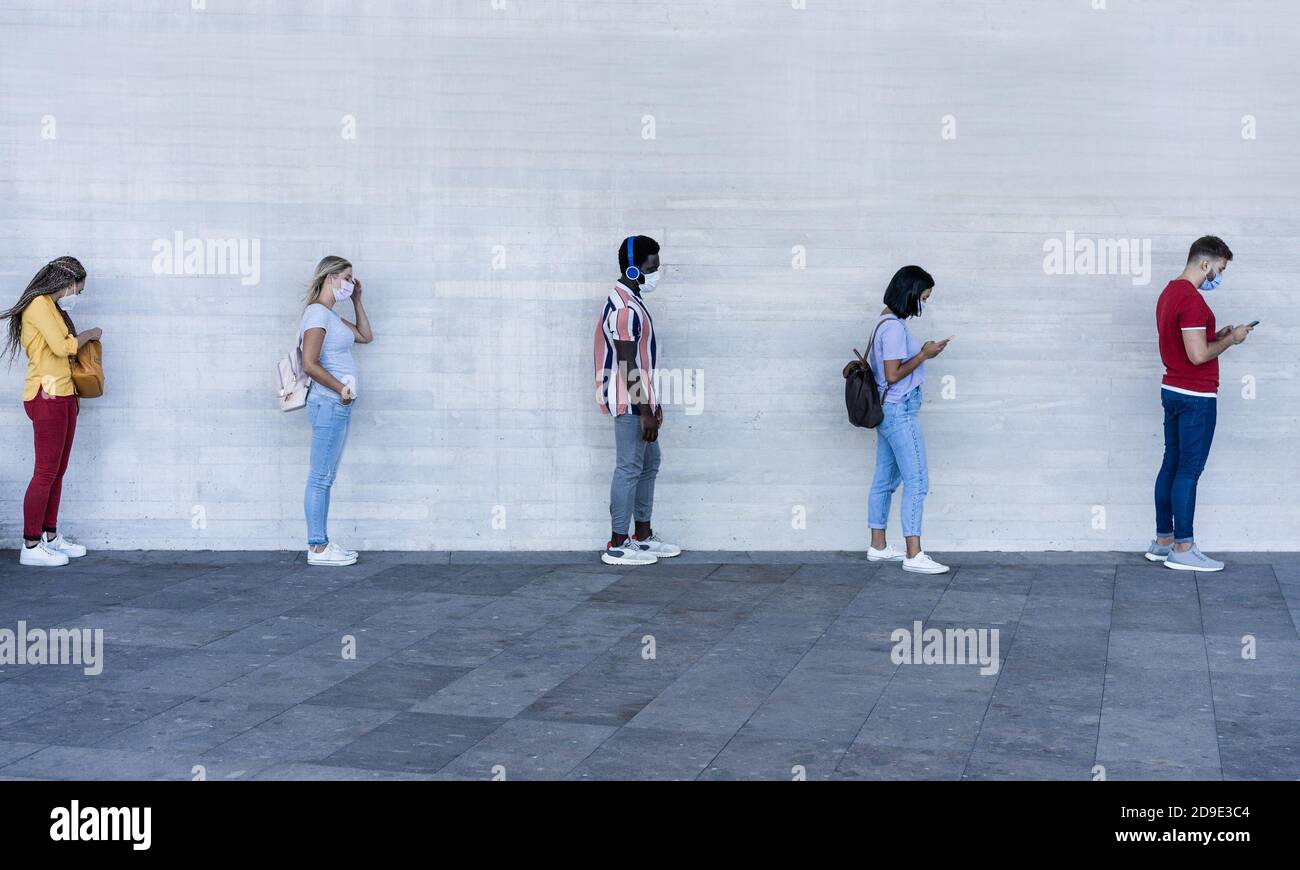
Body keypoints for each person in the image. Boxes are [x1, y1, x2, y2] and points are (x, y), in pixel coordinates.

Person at [1146, 236, 1251, 572]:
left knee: (1171, 464)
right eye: (1218, 270)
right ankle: (1183, 547)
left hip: (1173, 390)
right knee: (1189, 470)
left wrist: (1215, 336)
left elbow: (1188, 346)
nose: (1217, 277)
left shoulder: (1168, 293)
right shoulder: (1190, 300)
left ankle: (1163, 542)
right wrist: (1231, 341)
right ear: (1205, 263)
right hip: (1195, 396)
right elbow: (1197, 356)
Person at [0, 257, 100, 567]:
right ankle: (30, 544)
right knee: (45, 473)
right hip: (46, 395)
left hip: (65, 394)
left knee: (57, 472)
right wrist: (89, 334)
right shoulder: (39, 305)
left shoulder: (52, 307)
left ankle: (50, 536)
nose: (76, 296)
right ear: (67, 282)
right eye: (77, 291)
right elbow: (61, 347)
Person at [593, 235, 681, 566]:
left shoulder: (632, 301)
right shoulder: (624, 309)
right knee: (629, 467)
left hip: (641, 398)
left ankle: (642, 536)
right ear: (633, 268)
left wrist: (652, 404)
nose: (656, 274)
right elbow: (628, 363)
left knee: (649, 463)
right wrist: (644, 410)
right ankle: (618, 543)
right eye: (651, 268)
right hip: (630, 400)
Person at [865, 266, 951, 574]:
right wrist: (925, 354)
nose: (924, 303)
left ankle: (878, 546)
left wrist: (926, 352)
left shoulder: (885, 323)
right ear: (910, 293)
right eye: (924, 297)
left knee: (885, 480)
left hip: (888, 411)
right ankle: (914, 555)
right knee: (917, 481)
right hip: (899, 411)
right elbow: (893, 374)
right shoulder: (894, 329)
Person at [299, 256, 373, 567]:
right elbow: (309, 363)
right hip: (329, 403)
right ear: (330, 278)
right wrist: (340, 389)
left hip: (337, 404)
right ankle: (317, 547)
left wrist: (356, 300)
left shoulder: (329, 315)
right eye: (347, 278)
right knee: (320, 478)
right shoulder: (317, 313)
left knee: (325, 477)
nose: (350, 283)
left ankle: (322, 544)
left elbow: (365, 336)